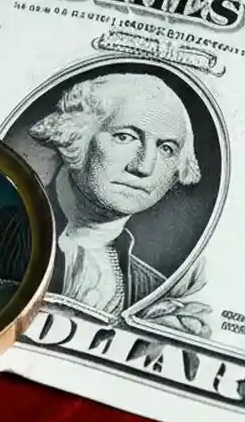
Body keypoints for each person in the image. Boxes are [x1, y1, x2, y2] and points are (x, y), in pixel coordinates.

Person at [26, 72, 201, 313]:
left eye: (166, 149)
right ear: (74, 136)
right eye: (125, 137)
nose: (143, 167)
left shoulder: (154, 293)